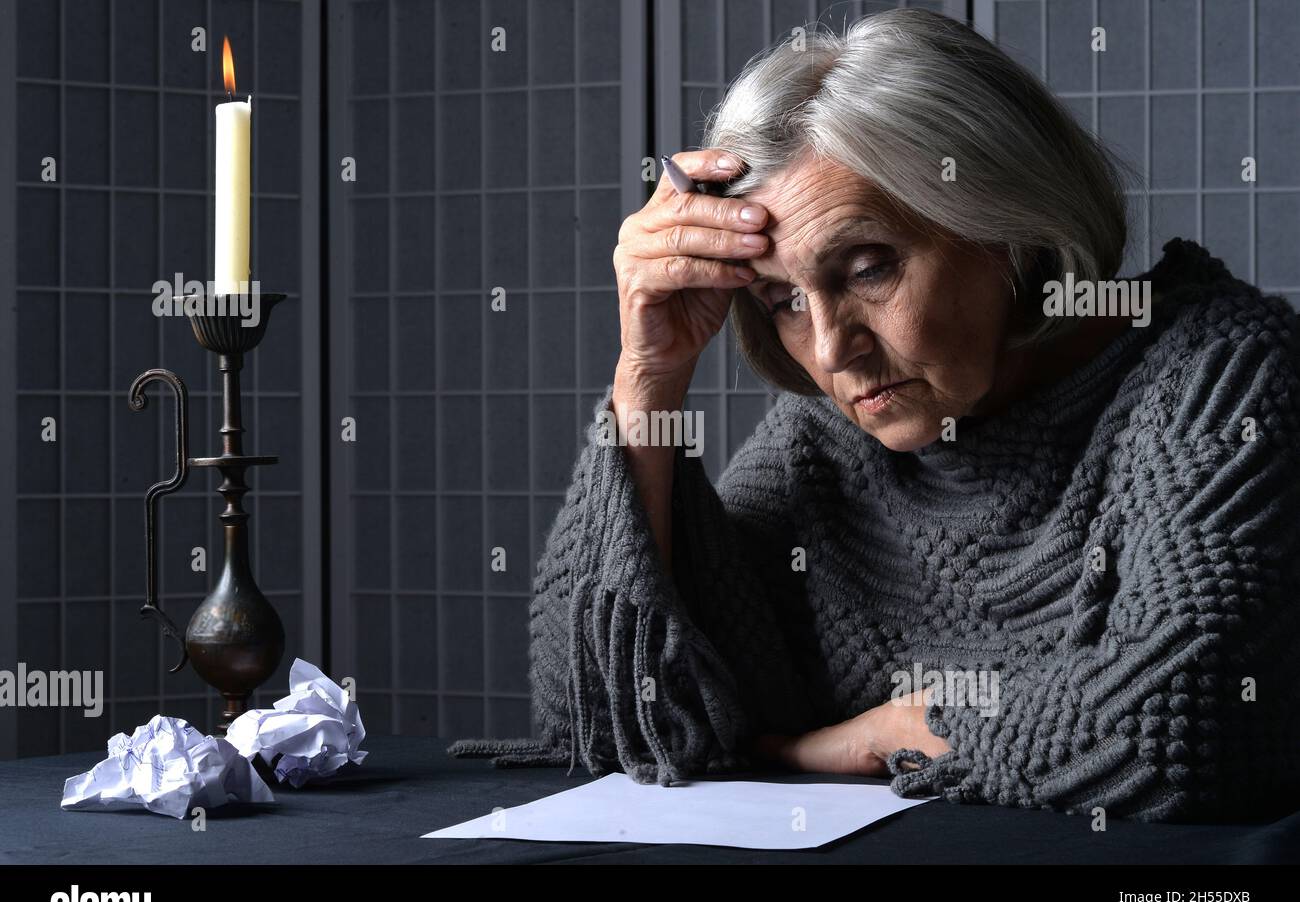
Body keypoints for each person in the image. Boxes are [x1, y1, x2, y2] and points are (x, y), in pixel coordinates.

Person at [450, 8, 1300, 823]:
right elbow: (600, 719)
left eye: (867, 268)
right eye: (782, 298)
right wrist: (648, 377)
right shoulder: (829, 438)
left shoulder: (1221, 378)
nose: (830, 350)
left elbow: (1184, 725)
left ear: (1010, 228)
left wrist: (883, 735)